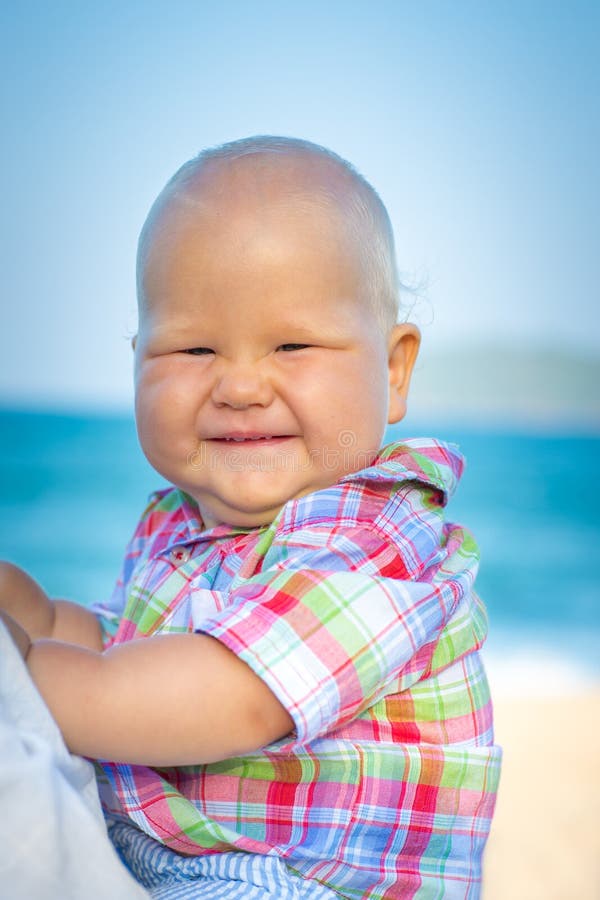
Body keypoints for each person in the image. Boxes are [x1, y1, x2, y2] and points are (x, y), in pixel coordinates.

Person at [0, 136, 501, 899]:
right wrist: (31, 613)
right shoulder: (182, 523)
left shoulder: (378, 542)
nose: (239, 385)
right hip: (186, 860)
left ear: (393, 371)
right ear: (137, 360)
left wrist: (25, 673)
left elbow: (227, 691)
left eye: (292, 344)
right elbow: (126, 648)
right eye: (194, 348)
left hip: (308, 885)